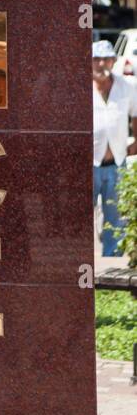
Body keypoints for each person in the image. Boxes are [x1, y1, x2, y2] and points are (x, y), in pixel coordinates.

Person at [93, 39, 136, 258]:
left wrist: (136, 142)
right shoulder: (81, 88)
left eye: (106, 59)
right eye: (96, 59)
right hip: (89, 162)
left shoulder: (126, 86)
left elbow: (135, 115)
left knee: (115, 217)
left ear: (114, 61)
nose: (101, 64)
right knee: (80, 216)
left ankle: (111, 265)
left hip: (116, 162)